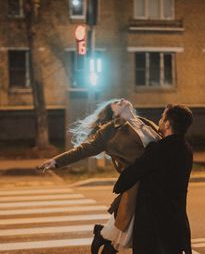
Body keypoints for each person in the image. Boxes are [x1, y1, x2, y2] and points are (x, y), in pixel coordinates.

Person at [38, 98, 161, 254]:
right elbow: (84, 149)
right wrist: (56, 161)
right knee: (128, 233)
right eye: (116, 103)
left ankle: (102, 236)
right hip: (137, 185)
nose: (121, 100)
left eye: (121, 99)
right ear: (114, 113)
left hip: (154, 183)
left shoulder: (143, 122)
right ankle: (102, 236)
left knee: (124, 234)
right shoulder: (109, 132)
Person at [113, 104, 193, 254]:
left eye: (163, 117)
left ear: (168, 124)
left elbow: (134, 172)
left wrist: (119, 183)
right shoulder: (186, 149)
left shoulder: (158, 149)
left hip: (154, 226)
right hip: (176, 223)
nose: (160, 120)